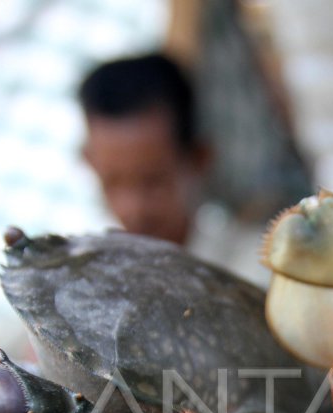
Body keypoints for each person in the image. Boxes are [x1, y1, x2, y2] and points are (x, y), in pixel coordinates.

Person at [78, 53, 270, 288]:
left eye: (153, 182)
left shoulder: (257, 273)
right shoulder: (84, 277)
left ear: (200, 159)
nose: (133, 209)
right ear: (89, 161)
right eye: (112, 182)